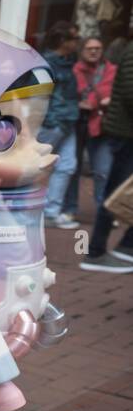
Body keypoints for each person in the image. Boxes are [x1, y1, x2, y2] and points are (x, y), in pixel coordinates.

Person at [80, 40, 133, 273]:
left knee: (117, 188)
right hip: (126, 132)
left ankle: (126, 245)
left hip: (126, 131)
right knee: (116, 190)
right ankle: (96, 252)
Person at [37, 21, 81, 228]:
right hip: (54, 123)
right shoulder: (47, 63)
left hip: (67, 121)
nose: (77, 42)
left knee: (67, 166)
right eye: (74, 38)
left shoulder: (68, 62)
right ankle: (14, 207)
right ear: (63, 40)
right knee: (35, 165)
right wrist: (52, 121)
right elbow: (42, 95)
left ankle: (50, 213)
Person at [74, 36, 118, 215]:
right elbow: (74, 92)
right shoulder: (75, 69)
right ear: (82, 50)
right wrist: (97, 99)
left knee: (103, 171)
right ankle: (67, 208)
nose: (94, 52)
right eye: (90, 48)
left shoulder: (111, 70)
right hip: (76, 125)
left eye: (98, 48)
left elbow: (111, 93)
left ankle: (104, 212)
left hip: (101, 127)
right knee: (71, 169)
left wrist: (90, 101)